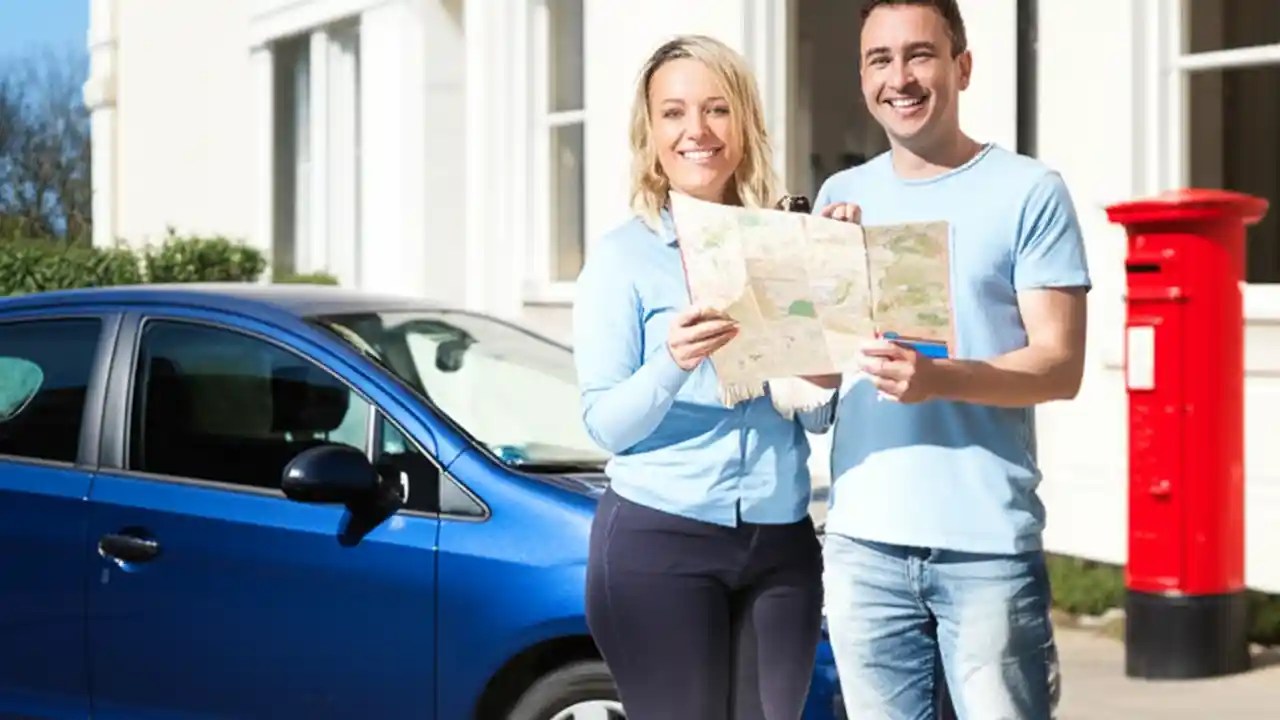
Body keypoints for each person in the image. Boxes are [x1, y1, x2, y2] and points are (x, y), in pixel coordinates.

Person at [805, 1, 1089, 718]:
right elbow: (817, 373)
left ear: (961, 66)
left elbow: (1061, 366)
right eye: (880, 60)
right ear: (864, 77)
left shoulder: (1029, 192)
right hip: (864, 544)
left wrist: (940, 379)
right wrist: (810, 288)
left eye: (919, 54)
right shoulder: (843, 196)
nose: (899, 77)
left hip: (984, 547)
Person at [572, 34, 828, 720]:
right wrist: (672, 362)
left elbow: (814, 415)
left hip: (780, 539)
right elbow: (605, 424)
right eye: (675, 112)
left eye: (717, 109)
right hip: (660, 539)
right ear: (649, 130)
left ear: (743, 123)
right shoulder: (621, 259)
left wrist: (821, 368)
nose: (698, 131)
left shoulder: (784, 242)